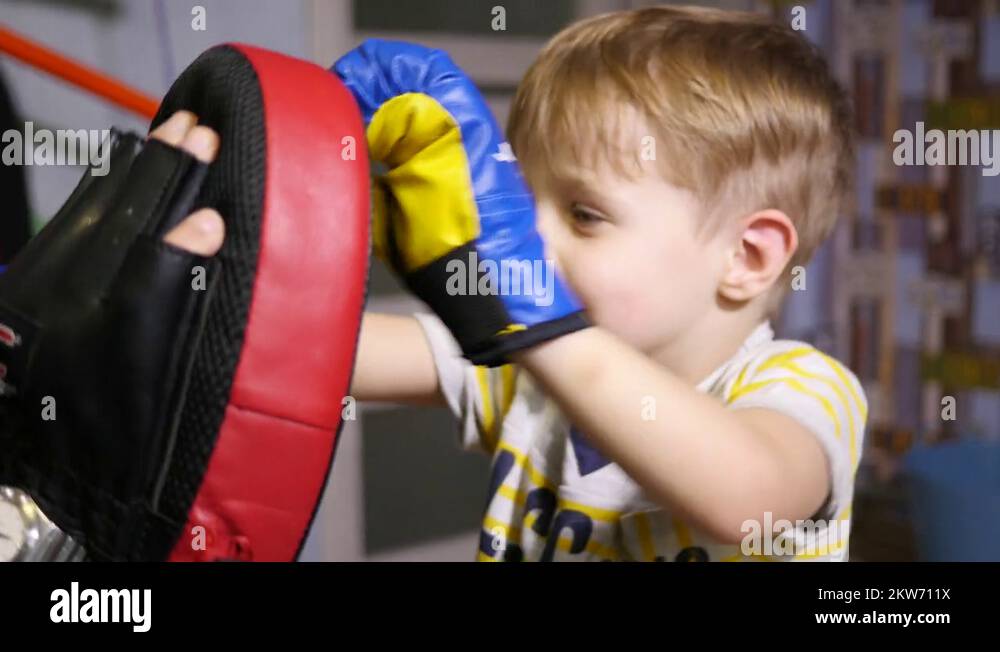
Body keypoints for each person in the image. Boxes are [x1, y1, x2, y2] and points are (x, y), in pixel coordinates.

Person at [172, 5, 866, 562]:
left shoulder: (804, 390)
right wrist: (207, 254)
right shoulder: (528, 373)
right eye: (519, 198)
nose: (525, 240)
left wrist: (536, 322)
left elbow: (747, 501)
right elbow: (296, 346)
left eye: (585, 214)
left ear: (747, 256)